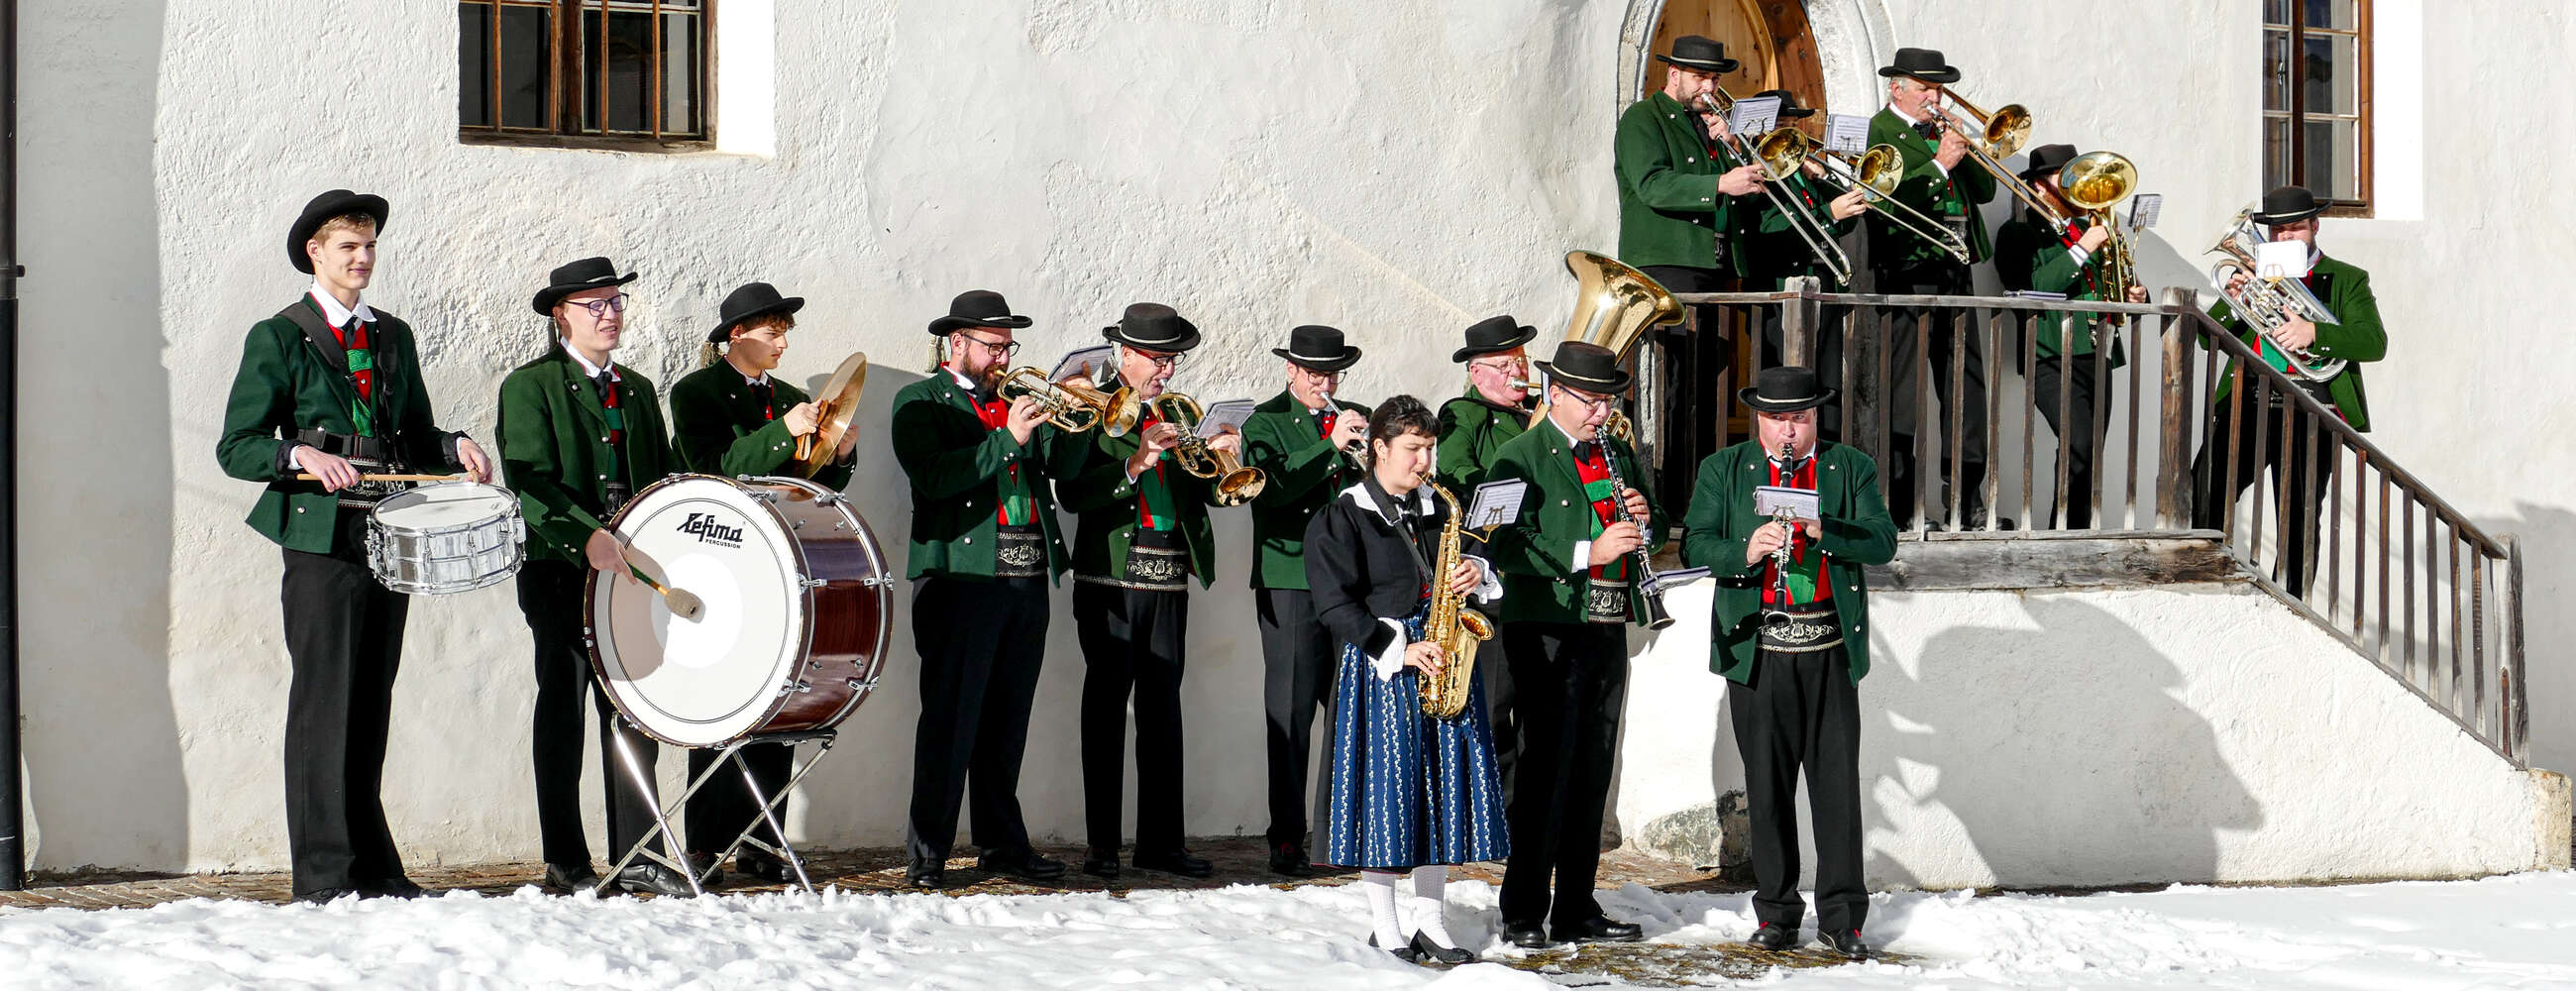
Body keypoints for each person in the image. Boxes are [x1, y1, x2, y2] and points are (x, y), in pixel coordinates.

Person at [215, 189, 494, 902]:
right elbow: (237, 447)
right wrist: (300, 458)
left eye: (370, 245)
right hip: (320, 540)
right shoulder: (279, 336)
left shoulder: (393, 335)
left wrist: (453, 444)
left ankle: (374, 869)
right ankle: (323, 876)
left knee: (371, 698)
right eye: (349, 246)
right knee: (325, 702)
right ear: (316, 252)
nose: (364, 258)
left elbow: (415, 433)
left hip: (387, 534)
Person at [1681, 366, 1897, 960]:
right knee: (1767, 790)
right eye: (1777, 418)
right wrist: (1744, 550)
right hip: (1759, 652)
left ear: (1815, 419)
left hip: (1828, 650)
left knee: (1836, 790)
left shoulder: (1848, 466)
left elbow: (1883, 542)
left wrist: (1824, 529)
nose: (1788, 431)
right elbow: (1697, 543)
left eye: (1799, 419)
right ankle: (1775, 914)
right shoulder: (1722, 469)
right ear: (1759, 419)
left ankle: (1844, 917)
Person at [495, 256, 690, 896]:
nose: (609, 315)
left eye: (614, 303)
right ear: (561, 317)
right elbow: (529, 480)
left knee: (632, 709)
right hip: (559, 571)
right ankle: (565, 858)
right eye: (594, 305)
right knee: (565, 707)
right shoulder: (531, 386)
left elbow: (658, 476)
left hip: (629, 577)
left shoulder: (636, 389)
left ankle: (639, 853)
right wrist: (587, 537)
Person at [665, 280, 857, 884]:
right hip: (719, 558)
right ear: (735, 336)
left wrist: (842, 451)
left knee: (782, 691)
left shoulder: (792, 394)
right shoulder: (695, 392)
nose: (781, 343)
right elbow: (711, 468)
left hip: (781, 555)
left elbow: (822, 484)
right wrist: (782, 431)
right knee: (723, 695)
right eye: (772, 332)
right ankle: (706, 843)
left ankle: (763, 837)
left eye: (784, 333)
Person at [890, 290, 1083, 889]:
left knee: (1007, 720)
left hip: (1025, 578)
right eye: (993, 347)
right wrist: (1008, 439)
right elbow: (935, 477)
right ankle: (929, 851)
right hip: (959, 581)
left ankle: (1002, 844)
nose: (1002, 358)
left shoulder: (1021, 401)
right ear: (957, 343)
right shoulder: (920, 401)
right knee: (951, 719)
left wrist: (1072, 416)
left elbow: (1068, 473)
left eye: (1008, 347)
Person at [1305, 394, 1506, 964]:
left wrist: (1478, 571)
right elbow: (1333, 605)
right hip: (1385, 665)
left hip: (1443, 654)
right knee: (1386, 795)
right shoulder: (1343, 514)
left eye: (1430, 449)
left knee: (1439, 792)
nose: (1425, 461)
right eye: (1414, 450)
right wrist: (1399, 645)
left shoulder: (1439, 508)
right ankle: (1386, 923)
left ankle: (1431, 922)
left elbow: (1466, 569)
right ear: (1380, 449)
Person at [1479, 341, 1665, 948]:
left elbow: (1655, 525)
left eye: (1608, 401)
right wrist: (1588, 553)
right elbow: (1501, 544)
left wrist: (1646, 520)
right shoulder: (1518, 456)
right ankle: (1524, 910)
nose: (1601, 413)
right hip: (1548, 630)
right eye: (1591, 401)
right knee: (1544, 773)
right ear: (1556, 393)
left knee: (1592, 772)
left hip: (1608, 626)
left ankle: (1578, 907)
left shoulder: (1616, 451)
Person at [1054, 303, 1245, 880]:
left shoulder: (1176, 410)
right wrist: (1137, 462)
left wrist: (1224, 458)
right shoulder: (1090, 405)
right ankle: (1103, 845)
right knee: (1107, 708)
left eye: (1172, 361)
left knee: (1164, 712)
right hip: (1110, 578)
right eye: (1159, 360)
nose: (1166, 371)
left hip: (1167, 574)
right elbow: (1071, 492)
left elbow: (1208, 497)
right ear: (1128, 355)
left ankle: (1161, 843)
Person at [2192, 184, 2386, 597]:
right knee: (2203, 488)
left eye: (2295, 228)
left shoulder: (2346, 278)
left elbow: (2373, 342)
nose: (2284, 238)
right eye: (2277, 231)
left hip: (2311, 407)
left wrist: (2314, 331)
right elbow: (2207, 342)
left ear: (2315, 227)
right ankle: (2204, 577)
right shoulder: (2257, 276)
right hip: (2249, 400)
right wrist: (2232, 299)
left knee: (2298, 514)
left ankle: (2291, 602)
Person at [1238, 325, 1371, 876]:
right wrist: (1330, 446)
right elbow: (1271, 491)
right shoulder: (1263, 421)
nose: (1325, 382)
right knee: (1291, 714)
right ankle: (1287, 838)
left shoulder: (1354, 415)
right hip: (1291, 580)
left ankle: (1349, 831)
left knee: (1353, 712)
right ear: (1290, 370)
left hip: (1351, 583)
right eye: (1315, 372)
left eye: (1333, 372)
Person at [1870, 47, 1998, 528]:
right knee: (1904, 390)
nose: (1934, 97)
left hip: (1955, 267)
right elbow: (1886, 196)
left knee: (1965, 384)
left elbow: (1984, 193)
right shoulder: (1880, 131)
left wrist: (1963, 151)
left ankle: (1966, 497)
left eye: (1938, 88)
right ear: (1896, 88)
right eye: (1924, 88)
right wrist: (1941, 164)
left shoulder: (1944, 130)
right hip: (1908, 270)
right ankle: (1901, 503)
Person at [1991, 144, 2151, 529]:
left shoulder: (2093, 228)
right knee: (2078, 444)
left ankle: (2077, 529)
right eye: (2065, 179)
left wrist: (2135, 293)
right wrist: (2083, 248)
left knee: (2090, 449)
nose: (2077, 186)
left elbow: (2113, 280)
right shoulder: (2019, 232)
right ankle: (2062, 531)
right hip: (2050, 353)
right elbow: (2029, 286)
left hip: (2100, 350)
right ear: (2040, 187)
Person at [1433, 314, 1541, 803]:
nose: (1516, 371)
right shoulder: (1465, 414)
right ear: (1477, 374)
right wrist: (1529, 460)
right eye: (1503, 365)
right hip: (1490, 572)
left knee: (1539, 706)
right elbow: (1457, 475)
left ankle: (1531, 818)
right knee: (1496, 700)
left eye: (1519, 361)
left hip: (1541, 575)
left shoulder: (1541, 411)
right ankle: (1491, 815)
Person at [1614, 35, 1768, 372]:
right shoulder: (1643, 118)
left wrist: (1734, 148)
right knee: (1674, 377)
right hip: (1668, 265)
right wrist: (1721, 183)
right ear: (1673, 75)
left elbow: (1745, 192)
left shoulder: (1710, 125)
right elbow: (1651, 185)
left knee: (1707, 376)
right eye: (1700, 77)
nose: (1709, 87)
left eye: (1714, 79)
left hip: (1715, 266)